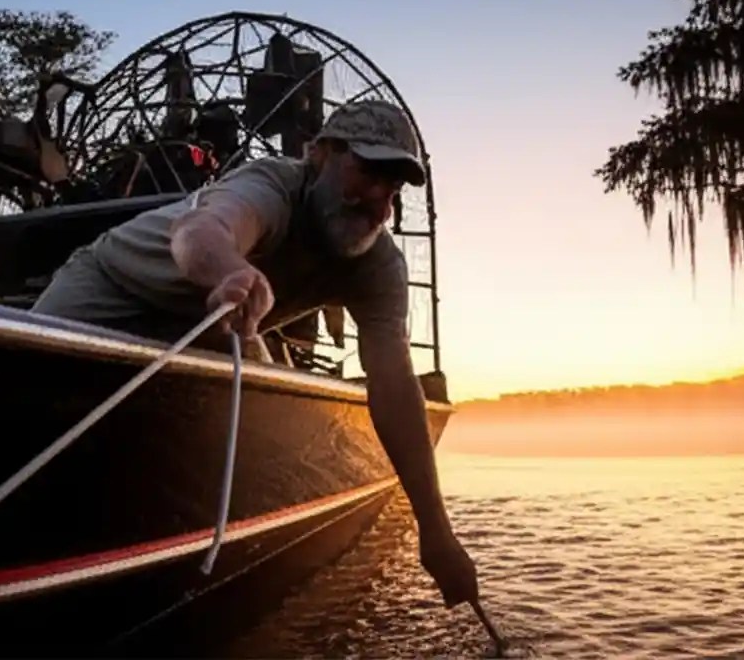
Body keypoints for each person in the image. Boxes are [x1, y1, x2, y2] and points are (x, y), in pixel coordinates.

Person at [32, 99, 479, 608]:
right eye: (367, 171)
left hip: (214, 329)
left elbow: (396, 383)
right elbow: (199, 232)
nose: (377, 199)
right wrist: (228, 271)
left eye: (393, 187)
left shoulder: (379, 266)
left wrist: (436, 532)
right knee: (27, 377)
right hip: (112, 289)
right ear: (319, 155)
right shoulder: (270, 187)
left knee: (265, 415)